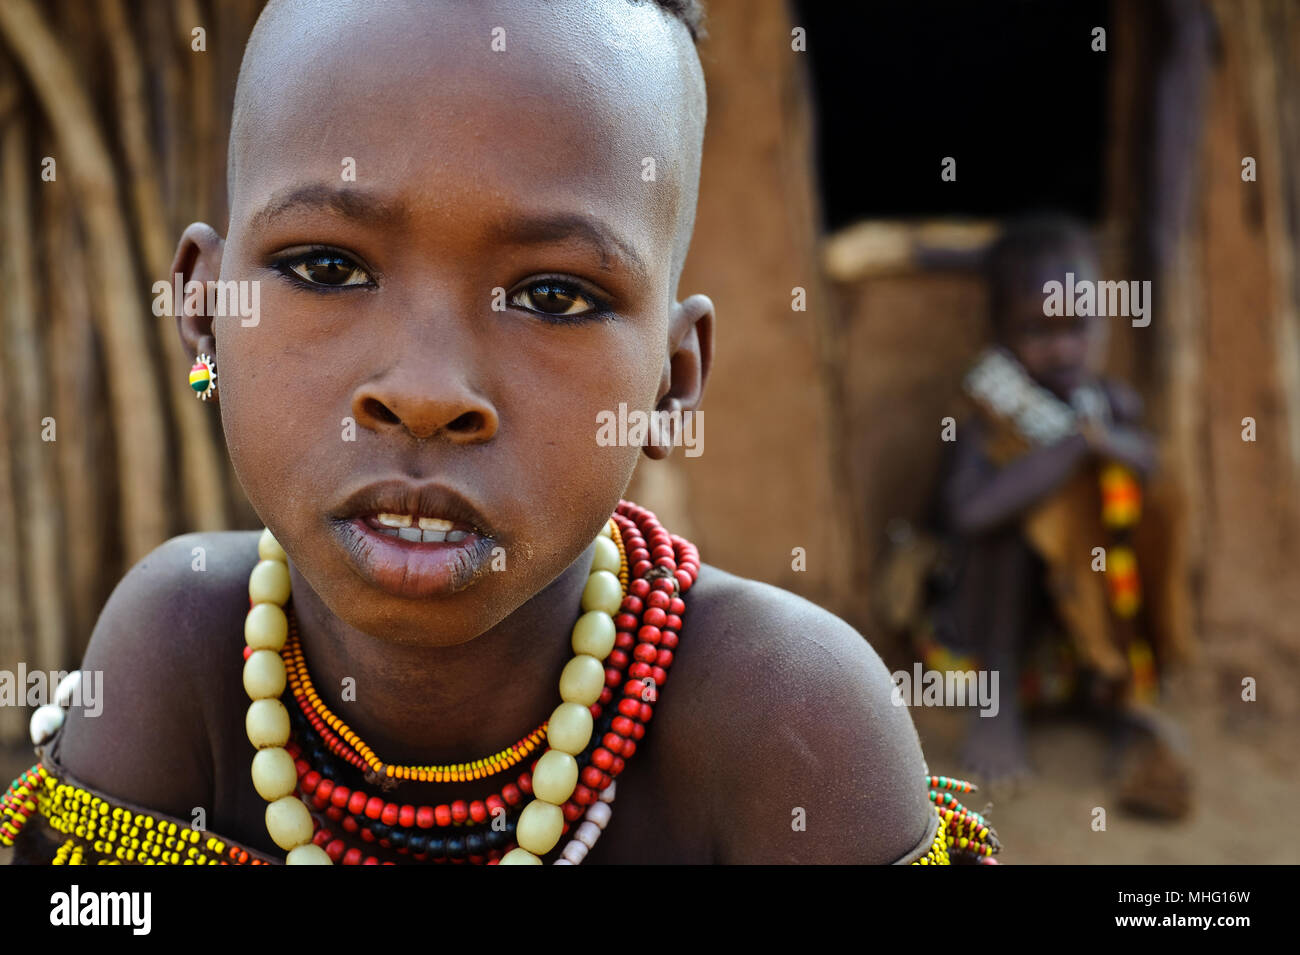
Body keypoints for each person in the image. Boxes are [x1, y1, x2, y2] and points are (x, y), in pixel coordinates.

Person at [2, 0, 997, 865]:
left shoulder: (787, 722)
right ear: (204, 311)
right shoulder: (180, 653)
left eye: (554, 294)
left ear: (671, 378)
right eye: (327, 268)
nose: (429, 393)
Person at [926, 216, 1192, 817]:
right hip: (983, 631)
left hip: (1072, 631)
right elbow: (968, 515)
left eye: (1078, 327)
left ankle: (1118, 690)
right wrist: (1071, 448)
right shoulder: (984, 418)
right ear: (1000, 333)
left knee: (1139, 501)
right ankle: (998, 707)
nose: (1064, 347)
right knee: (1018, 519)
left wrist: (1103, 443)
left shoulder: (1109, 404)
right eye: (1039, 330)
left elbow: (1160, 476)